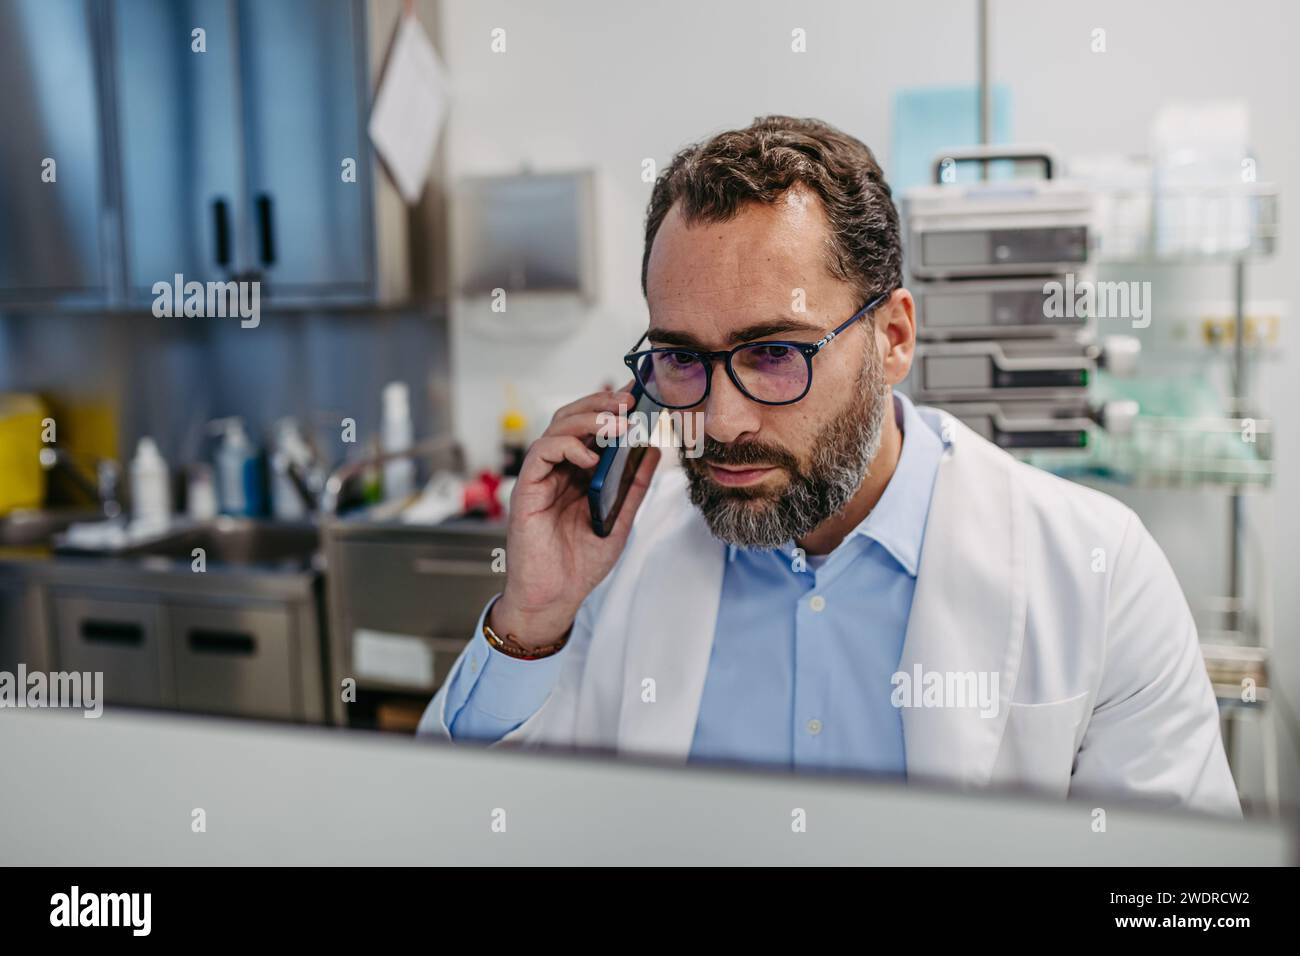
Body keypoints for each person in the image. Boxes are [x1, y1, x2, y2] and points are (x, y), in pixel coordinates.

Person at [417, 115, 1239, 817]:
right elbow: (476, 831)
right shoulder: (618, 560)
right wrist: (531, 623)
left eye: (775, 352)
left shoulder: (1098, 569)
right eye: (681, 360)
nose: (721, 420)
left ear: (894, 338)